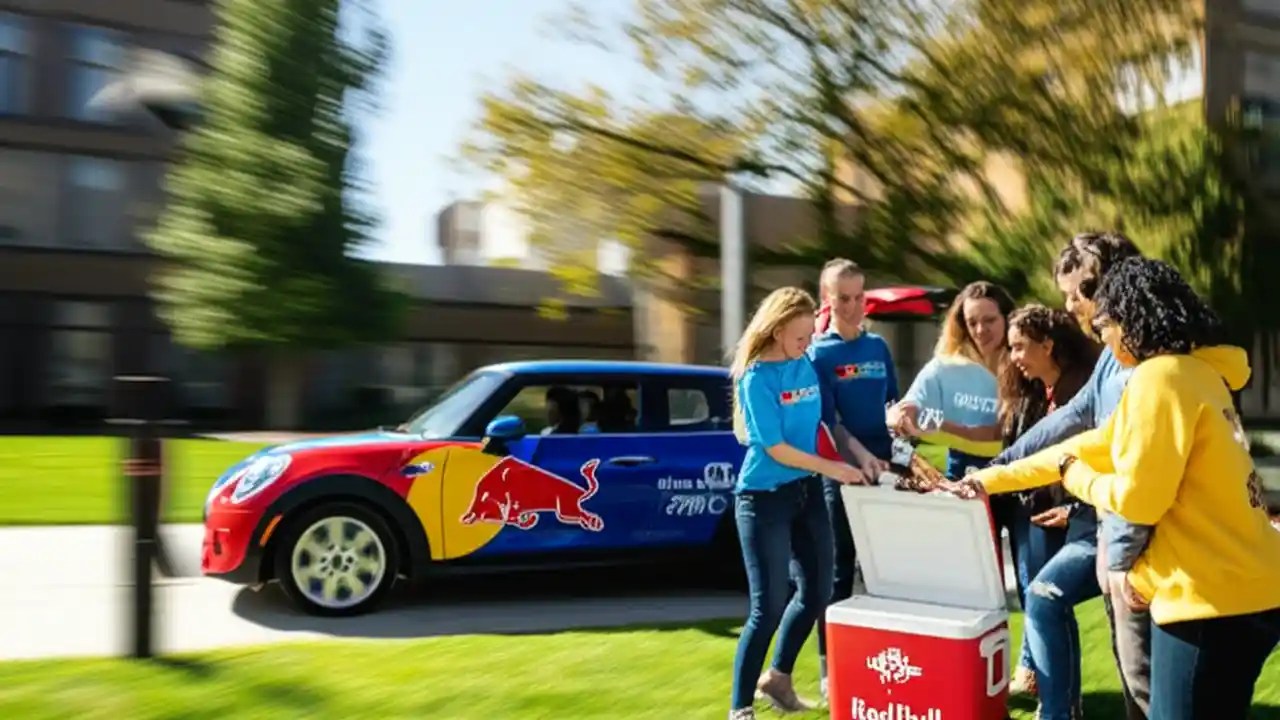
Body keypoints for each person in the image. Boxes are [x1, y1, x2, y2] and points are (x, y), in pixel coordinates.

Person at [955, 257, 1280, 718]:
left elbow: (1139, 499)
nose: (1100, 337)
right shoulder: (1198, 374)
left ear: (1133, 320)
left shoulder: (1159, 379)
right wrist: (985, 480)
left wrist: (1076, 478)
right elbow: (1086, 444)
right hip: (1252, 588)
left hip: (1206, 599)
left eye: (1105, 324)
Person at [963, 231, 1148, 720]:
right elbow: (1064, 426)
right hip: (1110, 531)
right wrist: (995, 470)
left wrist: (1119, 547)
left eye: (1074, 294)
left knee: (1147, 681)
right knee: (1132, 670)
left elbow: (1124, 458)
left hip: (1138, 539)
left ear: (1107, 287)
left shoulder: (1143, 361)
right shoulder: (1109, 355)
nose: (1069, 307)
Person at [727, 286, 866, 720]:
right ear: (775, 329)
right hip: (763, 499)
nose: (808, 345)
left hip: (805, 493)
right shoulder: (755, 377)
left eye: (811, 335)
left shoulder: (803, 362)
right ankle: (740, 709)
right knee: (766, 607)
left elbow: (816, 428)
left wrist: (844, 458)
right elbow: (776, 448)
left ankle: (779, 677)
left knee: (818, 591)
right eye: (801, 336)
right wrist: (834, 468)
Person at [996, 305, 1101, 699]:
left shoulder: (1080, 390)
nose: (1015, 357)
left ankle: (1056, 697)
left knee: (1048, 596)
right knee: (1042, 596)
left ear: (1048, 344)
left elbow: (1091, 456)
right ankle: (1047, 687)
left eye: (1021, 347)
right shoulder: (1041, 391)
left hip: (1082, 513)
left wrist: (1075, 510)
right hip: (1042, 510)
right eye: (1012, 348)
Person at [806, 258, 898, 698]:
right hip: (842, 474)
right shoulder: (818, 354)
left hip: (884, 472)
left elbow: (894, 405)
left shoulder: (878, 348)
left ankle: (889, 662)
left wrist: (903, 432)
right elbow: (829, 424)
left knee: (885, 570)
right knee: (839, 570)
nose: (853, 305)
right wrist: (859, 459)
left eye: (859, 296)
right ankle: (832, 670)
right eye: (843, 298)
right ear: (828, 299)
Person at [886, 281, 1013, 479]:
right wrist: (899, 416)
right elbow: (907, 409)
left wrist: (942, 426)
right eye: (972, 322)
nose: (980, 330)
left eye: (989, 320)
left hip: (1009, 478)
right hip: (954, 479)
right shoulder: (945, 367)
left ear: (1007, 319)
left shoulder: (1023, 367)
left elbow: (1000, 434)